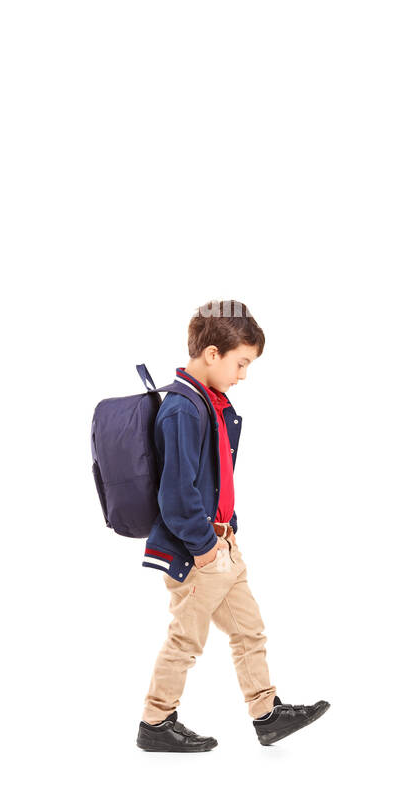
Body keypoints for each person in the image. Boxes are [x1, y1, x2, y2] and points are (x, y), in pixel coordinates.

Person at [135, 300, 330, 752]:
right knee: (186, 638)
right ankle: (156, 722)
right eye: (240, 363)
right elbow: (176, 494)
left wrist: (228, 533)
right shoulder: (183, 409)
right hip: (198, 550)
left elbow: (216, 475)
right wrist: (206, 548)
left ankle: (266, 714)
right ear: (211, 354)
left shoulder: (210, 402)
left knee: (248, 630)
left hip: (222, 543)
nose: (242, 375)